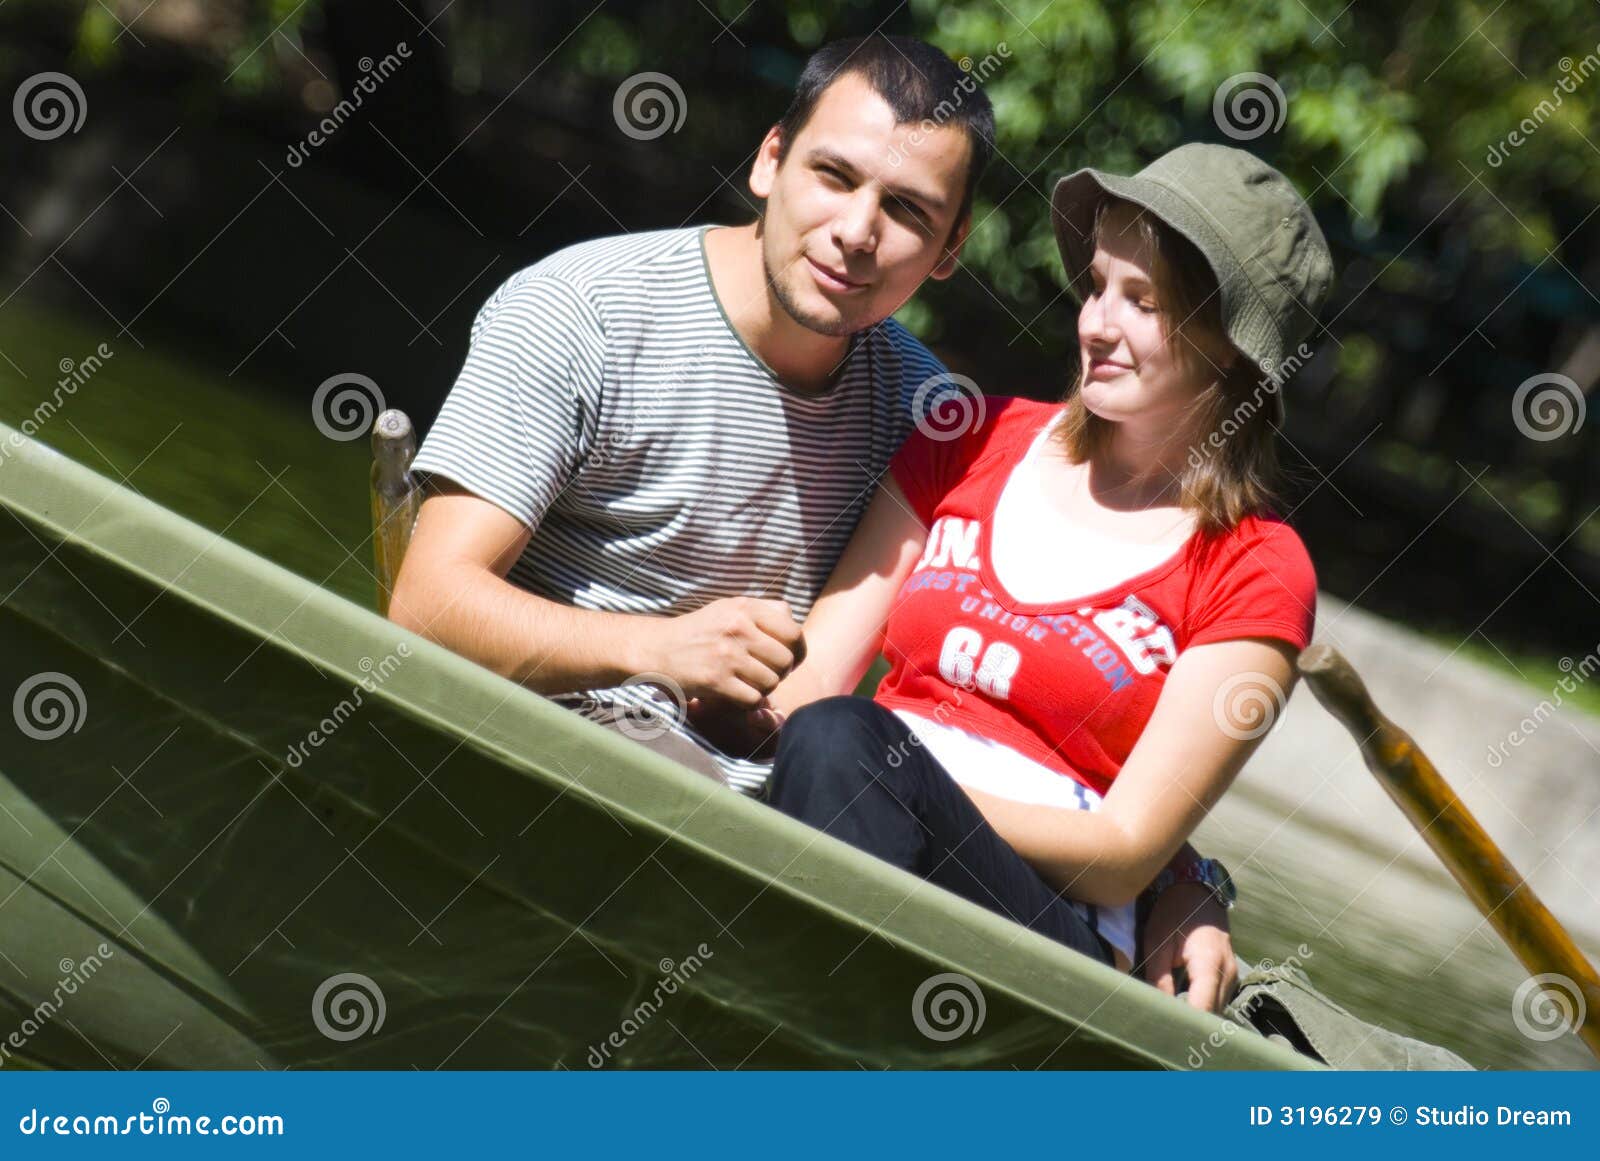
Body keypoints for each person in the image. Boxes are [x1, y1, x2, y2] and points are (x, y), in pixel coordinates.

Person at [388, 37, 1237, 1002]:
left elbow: (1014, 698)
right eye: (833, 176)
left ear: (952, 249)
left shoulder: (933, 420)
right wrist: (657, 646)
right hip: (534, 775)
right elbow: (424, 603)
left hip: (765, 834)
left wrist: (1182, 879)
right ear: (770, 161)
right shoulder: (583, 310)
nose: (856, 232)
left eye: (907, 211)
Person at [754, 143, 1332, 1004]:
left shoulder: (1256, 566)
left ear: (1230, 351)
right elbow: (804, 691)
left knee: (847, 745)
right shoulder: (966, 437)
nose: (1097, 322)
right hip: (851, 795)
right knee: (834, 739)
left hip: (1045, 924)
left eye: (1144, 302)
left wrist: (904, 782)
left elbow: (1126, 851)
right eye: (1099, 285)